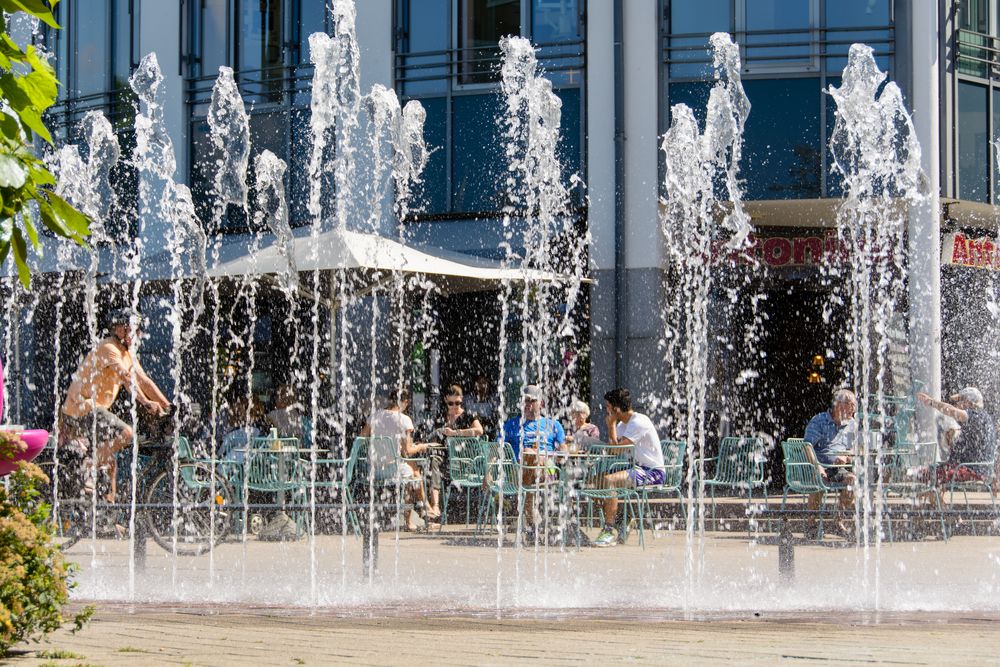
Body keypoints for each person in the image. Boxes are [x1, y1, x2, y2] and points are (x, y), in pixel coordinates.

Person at [60, 308, 170, 502]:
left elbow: (144, 381)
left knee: (111, 463)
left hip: (90, 410)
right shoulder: (109, 348)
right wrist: (145, 402)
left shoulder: (126, 354)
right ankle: (87, 468)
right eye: (132, 329)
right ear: (119, 329)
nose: (137, 334)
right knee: (126, 433)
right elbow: (126, 378)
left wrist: (167, 405)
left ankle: (108, 514)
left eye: (137, 330)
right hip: (80, 409)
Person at [593, 387, 665, 547]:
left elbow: (617, 450)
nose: (606, 410)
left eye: (608, 407)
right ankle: (621, 520)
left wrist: (611, 425)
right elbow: (613, 451)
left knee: (608, 481)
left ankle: (609, 530)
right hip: (635, 469)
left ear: (616, 409)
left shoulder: (638, 422)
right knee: (592, 483)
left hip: (652, 472)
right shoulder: (623, 424)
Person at [361, 390, 430, 531]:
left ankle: (425, 509)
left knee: (413, 469)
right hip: (393, 470)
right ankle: (412, 519)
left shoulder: (374, 416)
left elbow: (361, 439)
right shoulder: (404, 420)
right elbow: (407, 451)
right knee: (412, 478)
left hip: (373, 470)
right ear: (404, 402)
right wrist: (422, 446)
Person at [500, 384, 566, 528]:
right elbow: (496, 449)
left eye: (532, 400)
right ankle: (532, 522)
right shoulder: (511, 425)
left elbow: (563, 452)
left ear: (541, 403)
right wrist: (489, 472)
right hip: (518, 471)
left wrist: (548, 456)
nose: (528, 404)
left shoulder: (553, 424)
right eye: (526, 400)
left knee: (532, 456)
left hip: (546, 471)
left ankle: (532, 523)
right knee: (528, 455)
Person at [421, 384, 484, 520]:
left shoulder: (468, 416)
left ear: (462, 400)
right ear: (445, 400)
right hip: (444, 460)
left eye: (458, 403)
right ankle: (435, 505)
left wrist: (456, 433)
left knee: (434, 464)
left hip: (462, 461)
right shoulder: (441, 417)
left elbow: (479, 430)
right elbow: (432, 436)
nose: (455, 406)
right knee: (432, 463)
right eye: (451, 403)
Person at [917, 387, 998, 484]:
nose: (957, 405)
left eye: (960, 400)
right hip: (972, 469)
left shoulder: (976, 415)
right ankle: (934, 497)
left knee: (925, 475)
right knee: (927, 473)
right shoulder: (983, 418)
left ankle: (932, 495)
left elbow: (951, 411)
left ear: (969, 402)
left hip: (973, 471)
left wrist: (931, 402)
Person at [804, 388, 858, 467]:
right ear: (838, 405)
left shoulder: (851, 424)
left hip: (844, 468)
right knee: (851, 478)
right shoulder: (819, 421)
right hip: (822, 469)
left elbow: (851, 448)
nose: (853, 409)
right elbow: (807, 447)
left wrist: (846, 457)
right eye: (850, 404)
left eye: (854, 405)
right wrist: (818, 467)